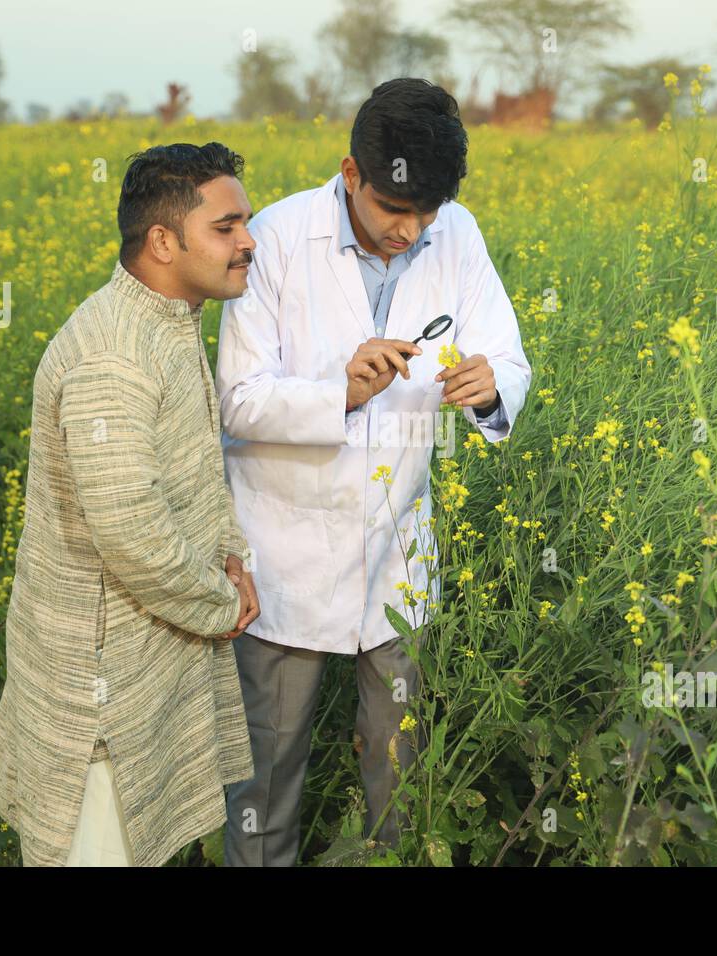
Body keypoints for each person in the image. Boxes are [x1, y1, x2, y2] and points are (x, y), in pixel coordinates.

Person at [217, 79, 531, 866]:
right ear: (351, 173)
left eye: (426, 213)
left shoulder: (455, 233)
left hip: (398, 549)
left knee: (399, 768)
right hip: (283, 555)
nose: (411, 231)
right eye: (396, 211)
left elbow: (509, 355)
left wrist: (493, 387)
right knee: (267, 775)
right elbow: (240, 401)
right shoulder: (277, 239)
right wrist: (342, 391)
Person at [0, 142, 261, 866]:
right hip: (99, 695)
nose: (248, 242)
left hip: (149, 654)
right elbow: (132, 531)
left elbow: (195, 466)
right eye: (226, 228)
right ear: (164, 241)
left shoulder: (167, 320)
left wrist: (231, 556)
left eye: (245, 224)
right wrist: (220, 604)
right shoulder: (114, 354)